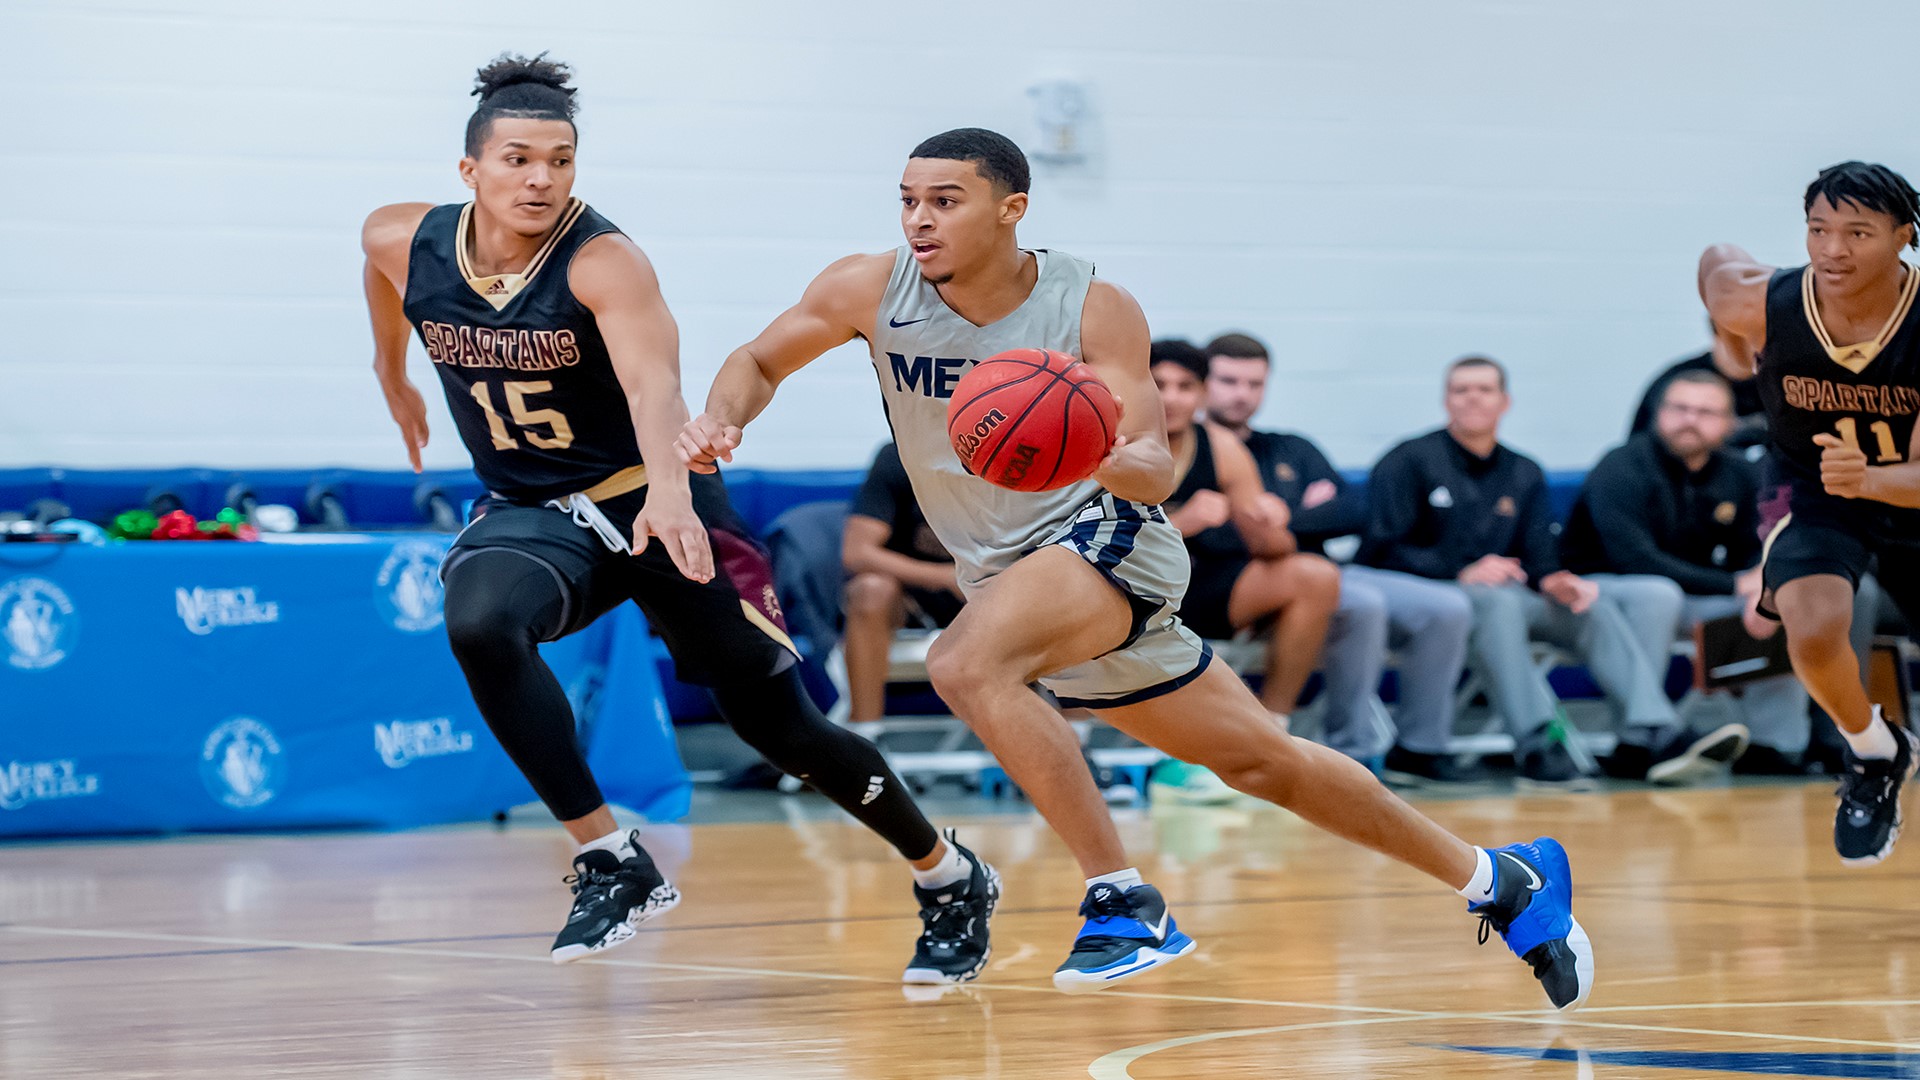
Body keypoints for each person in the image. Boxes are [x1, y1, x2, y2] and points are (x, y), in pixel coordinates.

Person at [679, 127, 1593, 1009]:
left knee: (966, 664)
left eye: (945, 201)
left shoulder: (1091, 304)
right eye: (909, 200)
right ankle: (1499, 880)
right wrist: (726, 418)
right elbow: (759, 359)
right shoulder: (868, 288)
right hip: (1003, 571)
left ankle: (1123, 901)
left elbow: (1153, 460)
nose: (919, 219)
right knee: (1265, 763)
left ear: (1011, 209)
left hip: (1106, 534)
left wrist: (1090, 450)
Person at [359, 55, 995, 982]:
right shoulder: (399, 236)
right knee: (481, 623)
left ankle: (946, 875)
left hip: (658, 499)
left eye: (562, 161)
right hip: (537, 511)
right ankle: (608, 858)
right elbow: (381, 280)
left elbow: (653, 382)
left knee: (780, 727)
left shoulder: (601, 258)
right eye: (519, 160)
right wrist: (391, 371)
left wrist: (666, 487)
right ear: (471, 172)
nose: (542, 179)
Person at [1358, 357, 1748, 787]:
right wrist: (1460, 569)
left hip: (1514, 594)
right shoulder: (1408, 460)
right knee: (1498, 602)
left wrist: (1554, 579)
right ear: (1445, 400)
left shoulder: (1523, 470)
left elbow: (1540, 549)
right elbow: (1381, 547)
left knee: (1587, 605)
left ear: (1504, 402)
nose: (1472, 398)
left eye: (1484, 389)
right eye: (1461, 389)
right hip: (1443, 594)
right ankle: (1536, 741)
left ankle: (1654, 731)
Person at [1699, 160, 1920, 864]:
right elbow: (1715, 263)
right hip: (1812, 484)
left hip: (1903, 486)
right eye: (1819, 229)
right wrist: (1733, 346)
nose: (1832, 249)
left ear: (1903, 238)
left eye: (1858, 232)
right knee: (1814, 625)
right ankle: (1873, 750)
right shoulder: (1764, 302)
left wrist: (1876, 479)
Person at [1206, 333, 1479, 784]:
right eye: (1229, 380)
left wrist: (1282, 517)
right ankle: (1348, 750)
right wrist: (1301, 513)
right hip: (1256, 579)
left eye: (1255, 383)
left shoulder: (1292, 448)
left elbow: (1352, 512)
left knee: (1446, 607)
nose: (1242, 394)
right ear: (1205, 384)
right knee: (1360, 604)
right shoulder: (1197, 451)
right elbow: (1219, 533)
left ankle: (1420, 747)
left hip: (1328, 570)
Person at [1562, 370, 1807, 774]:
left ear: (1730, 423)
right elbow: (1633, 559)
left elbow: (1760, 543)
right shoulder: (1621, 465)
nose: (1690, 420)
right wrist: (1732, 583)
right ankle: (1639, 741)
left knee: (1776, 601)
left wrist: (1759, 579)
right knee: (1657, 593)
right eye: (1680, 409)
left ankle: (1776, 744)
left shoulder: (1740, 473)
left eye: (1706, 412)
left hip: (1692, 593)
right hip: (1603, 590)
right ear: (1658, 414)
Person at [843, 441, 964, 722]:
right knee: (870, 591)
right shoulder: (899, 455)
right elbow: (856, 552)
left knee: (1068, 579)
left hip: (987, 590)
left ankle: (1078, 731)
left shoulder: (1008, 450)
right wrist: (946, 578)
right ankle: (866, 732)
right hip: (911, 597)